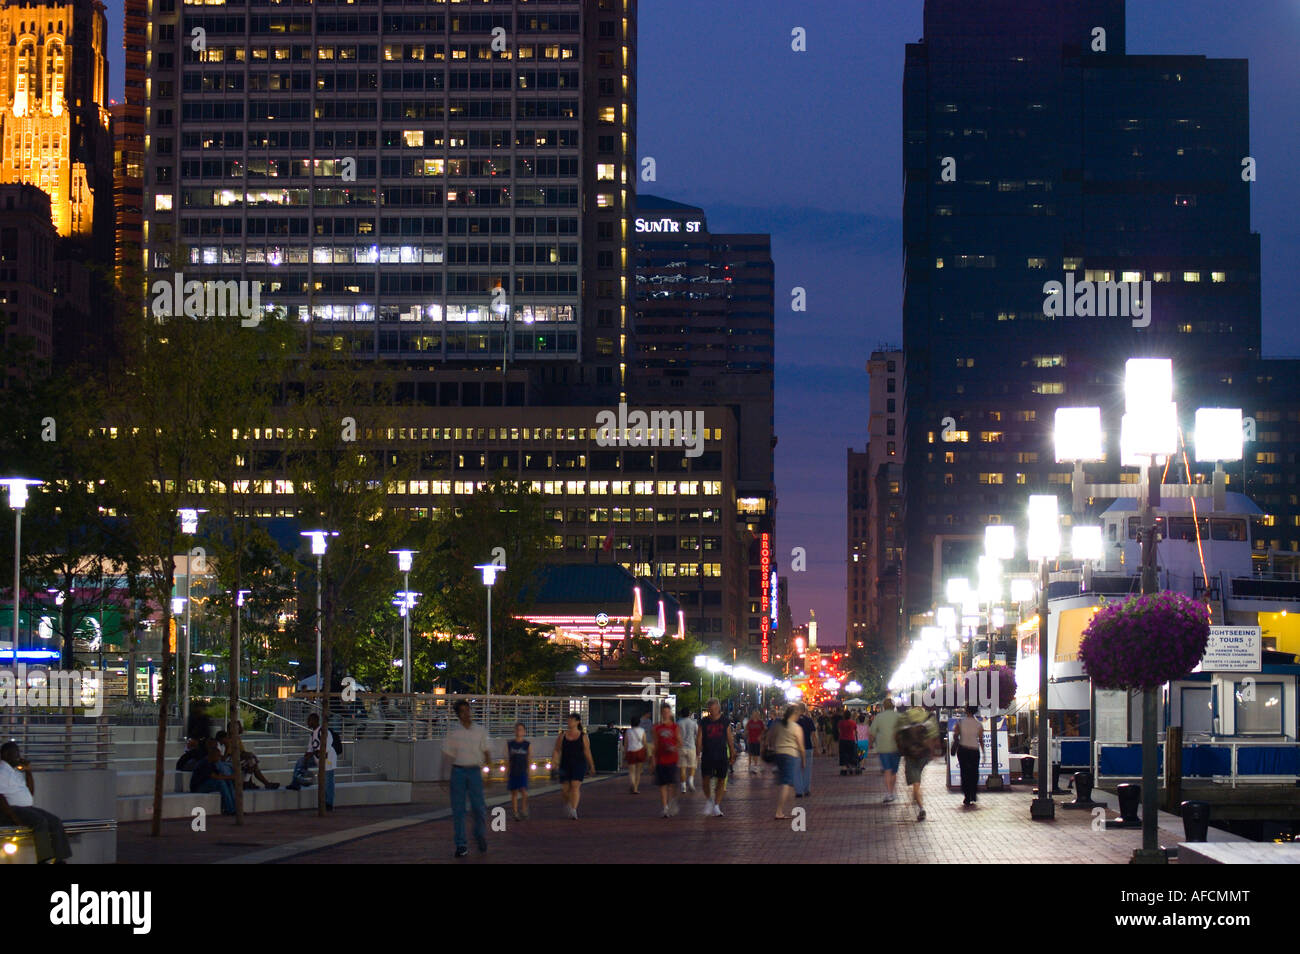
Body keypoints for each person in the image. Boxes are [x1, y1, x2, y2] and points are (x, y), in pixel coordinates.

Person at [0, 742, 72, 863]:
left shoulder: (15, 772)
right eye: (16, 753)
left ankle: (59, 859)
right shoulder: (2, 772)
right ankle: (44, 859)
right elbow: (0, 798)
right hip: (12, 809)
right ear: (7, 754)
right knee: (40, 821)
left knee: (55, 821)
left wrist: (28, 772)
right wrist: (14, 817)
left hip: (26, 808)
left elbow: (30, 792)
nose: (19, 757)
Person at [441, 699, 490, 857]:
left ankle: (479, 834)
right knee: (458, 810)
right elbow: (447, 755)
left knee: (479, 807)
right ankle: (461, 844)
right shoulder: (454, 732)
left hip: (474, 770)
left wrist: (489, 771)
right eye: (462, 711)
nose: (466, 713)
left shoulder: (480, 730)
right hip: (458, 772)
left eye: (467, 710)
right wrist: (443, 774)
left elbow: (487, 751)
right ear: (458, 714)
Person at [896, 707, 939, 822]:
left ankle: (921, 808)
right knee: (918, 780)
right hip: (924, 754)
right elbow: (934, 736)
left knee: (916, 783)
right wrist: (932, 752)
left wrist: (901, 750)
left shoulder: (905, 717)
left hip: (910, 754)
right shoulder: (927, 716)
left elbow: (897, 735)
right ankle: (916, 796)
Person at [286, 713, 336, 810]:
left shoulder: (324, 731)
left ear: (315, 721)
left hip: (328, 759)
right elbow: (310, 749)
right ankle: (295, 783)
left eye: (309, 720)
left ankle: (329, 803)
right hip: (317, 758)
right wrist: (306, 758)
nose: (307, 722)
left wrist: (313, 754)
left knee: (328, 781)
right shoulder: (313, 734)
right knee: (300, 762)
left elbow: (326, 747)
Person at [696, 697, 735, 816]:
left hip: (721, 754)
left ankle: (717, 805)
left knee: (721, 780)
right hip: (708, 754)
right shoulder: (704, 721)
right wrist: (698, 752)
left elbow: (729, 738)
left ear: (718, 708)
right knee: (705, 780)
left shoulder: (725, 721)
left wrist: (732, 753)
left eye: (714, 708)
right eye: (710, 709)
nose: (712, 711)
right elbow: (699, 737)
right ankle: (709, 799)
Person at [553, 712, 596, 819]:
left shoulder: (583, 736)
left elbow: (587, 751)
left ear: (577, 722)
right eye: (568, 720)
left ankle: (573, 810)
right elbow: (557, 750)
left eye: (572, 720)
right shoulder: (562, 736)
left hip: (579, 764)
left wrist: (591, 765)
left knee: (575, 786)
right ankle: (568, 804)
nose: (569, 722)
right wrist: (554, 762)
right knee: (565, 789)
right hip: (565, 764)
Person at [769, 706, 805, 819]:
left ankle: (784, 806)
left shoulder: (778, 725)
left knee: (785, 781)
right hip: (790, 755)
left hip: (779, 754)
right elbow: (801, 746)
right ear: (794, 714)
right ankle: (779, 811)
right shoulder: (796, 727)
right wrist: (803, 760)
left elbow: (770, 738)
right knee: (786, 783)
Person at [650, 703, 682, 817]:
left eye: (667, 712)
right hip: (661, 759)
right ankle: (665, 807)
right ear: (661, 713)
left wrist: (674, 747)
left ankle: (672, 802)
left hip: (672, 759)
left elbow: (679, 742)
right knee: (662, 784)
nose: (666, 714)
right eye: (664, 712)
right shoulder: (657, 728)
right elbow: (655, 744)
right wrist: (653, 759)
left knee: (672, 784)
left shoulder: (675, 727)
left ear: (670, 713)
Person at [228, 720, 279, 790]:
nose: (239, 728)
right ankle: (249, 782)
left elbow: (242, 751)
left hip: (238, 758)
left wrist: (249, 754)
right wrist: (248, 755)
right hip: (230, 760)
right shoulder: (229, 739)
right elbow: (231, 754)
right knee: (252, 761)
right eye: (237, 727)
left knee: (252, 761)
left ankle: (253, 782)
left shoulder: (237, 738)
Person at [190, 739, 236, 815]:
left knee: (228, 782)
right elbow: (215, 777)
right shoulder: (205, 763)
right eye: (218, 756)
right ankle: (230, 809)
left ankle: (234, 808)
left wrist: (230, 778)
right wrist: (231, 777)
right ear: (212, 755)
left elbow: (219, 775)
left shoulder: (213, 763)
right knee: (221, 782)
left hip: (207, 784)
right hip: (198, 787)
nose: (219, 758)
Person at [868, 698, 901, 803]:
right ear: (894, 706)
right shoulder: (899, 716)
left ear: (884, 707)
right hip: (896, 747)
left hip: (883, 747)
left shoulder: (879, 717)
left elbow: (872, 732)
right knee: (894, 772)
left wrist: (870, 744)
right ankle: (892, 791)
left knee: (887, 770)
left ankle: (889, 793)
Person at [955, 705, 985, 806]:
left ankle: (967, 795)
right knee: (974, 772)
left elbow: (956, 734)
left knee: (964, 773)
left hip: (963, 750)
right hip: (974, 750)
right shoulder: (979, 724)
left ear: (966, 710)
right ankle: (973, 793)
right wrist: (984, 752)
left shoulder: (960, 723)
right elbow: (981, 739)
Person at [507, 721, 530, 821]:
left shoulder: (527, 744)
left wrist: (528, 770)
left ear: (524, 732)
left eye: (521, 730)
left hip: (522, 771)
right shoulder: (510, 744)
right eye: (517, 729)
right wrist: (506, 771)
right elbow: (507, 758)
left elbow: (529, 758)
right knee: (514, 792)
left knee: (524, 792)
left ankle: (524, 809)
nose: (518, 731)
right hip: (513, 771)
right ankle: (515, 812)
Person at [795, 704, 816, 796]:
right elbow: (814, 735)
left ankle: (799, 791)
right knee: (807, 769)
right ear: (805, 710)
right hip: (808, 746)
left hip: (796, 748)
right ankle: (806, 789)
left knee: (797, 770)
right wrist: (817, 746)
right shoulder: (809, 720)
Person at [676, 708, 699, 793]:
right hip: (691, 747)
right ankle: (691, 781)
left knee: (682, 768)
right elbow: (698, 734)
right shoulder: (693, 723)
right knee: (692, 766)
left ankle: (683, 786)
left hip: (681, 748)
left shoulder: (678, 723)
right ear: (689, 714)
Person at [624, 715, 648, 794]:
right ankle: (636, 788)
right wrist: (646, 751)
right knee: (638, 771)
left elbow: (626, 743)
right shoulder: (642, 730)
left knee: (631, 771)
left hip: (631, 751)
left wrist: (625, 753)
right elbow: (644, 742)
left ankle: (632, 783)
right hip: (640, 751)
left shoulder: (628, 731)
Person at [837, 710, 859, 775]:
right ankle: (851, 767)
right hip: (851, 740)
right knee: (852, 754)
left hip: (842, 740)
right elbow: (855, 732)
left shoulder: (841, 723)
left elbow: (839, 731)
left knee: (843, 754)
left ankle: (844, 768)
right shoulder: (853, 722)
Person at [744, 709, 766, 774]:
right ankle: (751, 765)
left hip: (757, 740)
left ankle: (755, 766)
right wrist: (746, 734)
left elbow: (764, 730)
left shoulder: (760, 722)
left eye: (756, 714)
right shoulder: (750, 722)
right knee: (751, 753)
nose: (755, 715)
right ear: (752, 715)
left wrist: (761, 736)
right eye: (754, 714)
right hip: (750, 739)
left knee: (756, 753)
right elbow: (746, 729)